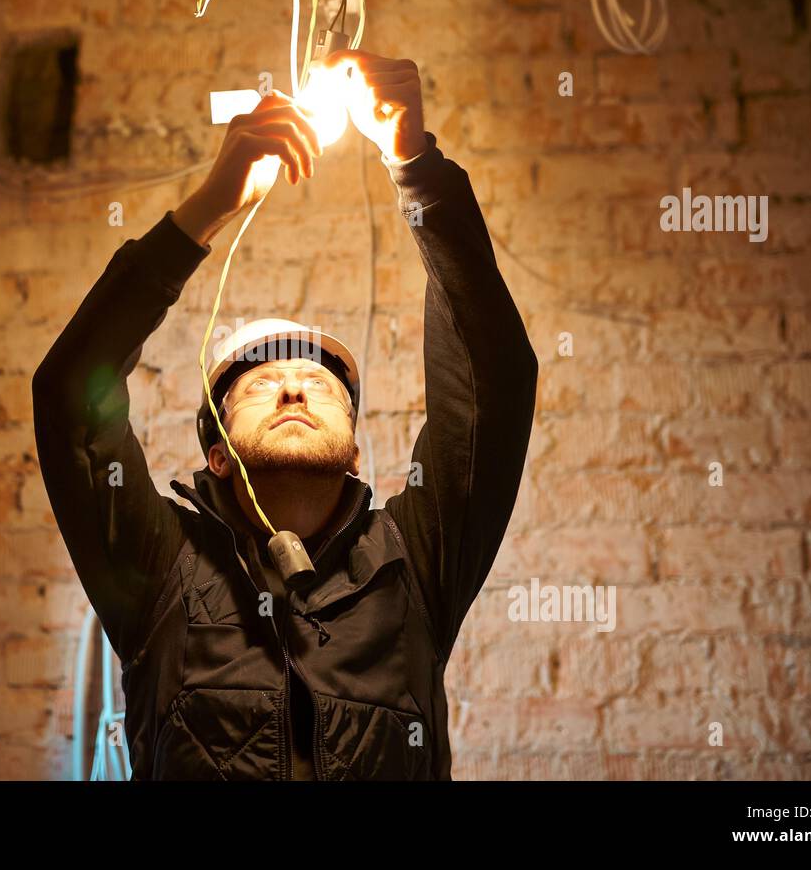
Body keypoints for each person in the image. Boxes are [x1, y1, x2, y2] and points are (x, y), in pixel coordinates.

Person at [32, 50, 538, 779]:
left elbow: (493, 383)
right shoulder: (158, 564)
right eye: (263, 382)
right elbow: (68, 397)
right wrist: (209, 205)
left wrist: (417, 167)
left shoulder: (418, 564)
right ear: (215, 451)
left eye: (319, 382)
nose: (296, 388)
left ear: (358, 451)